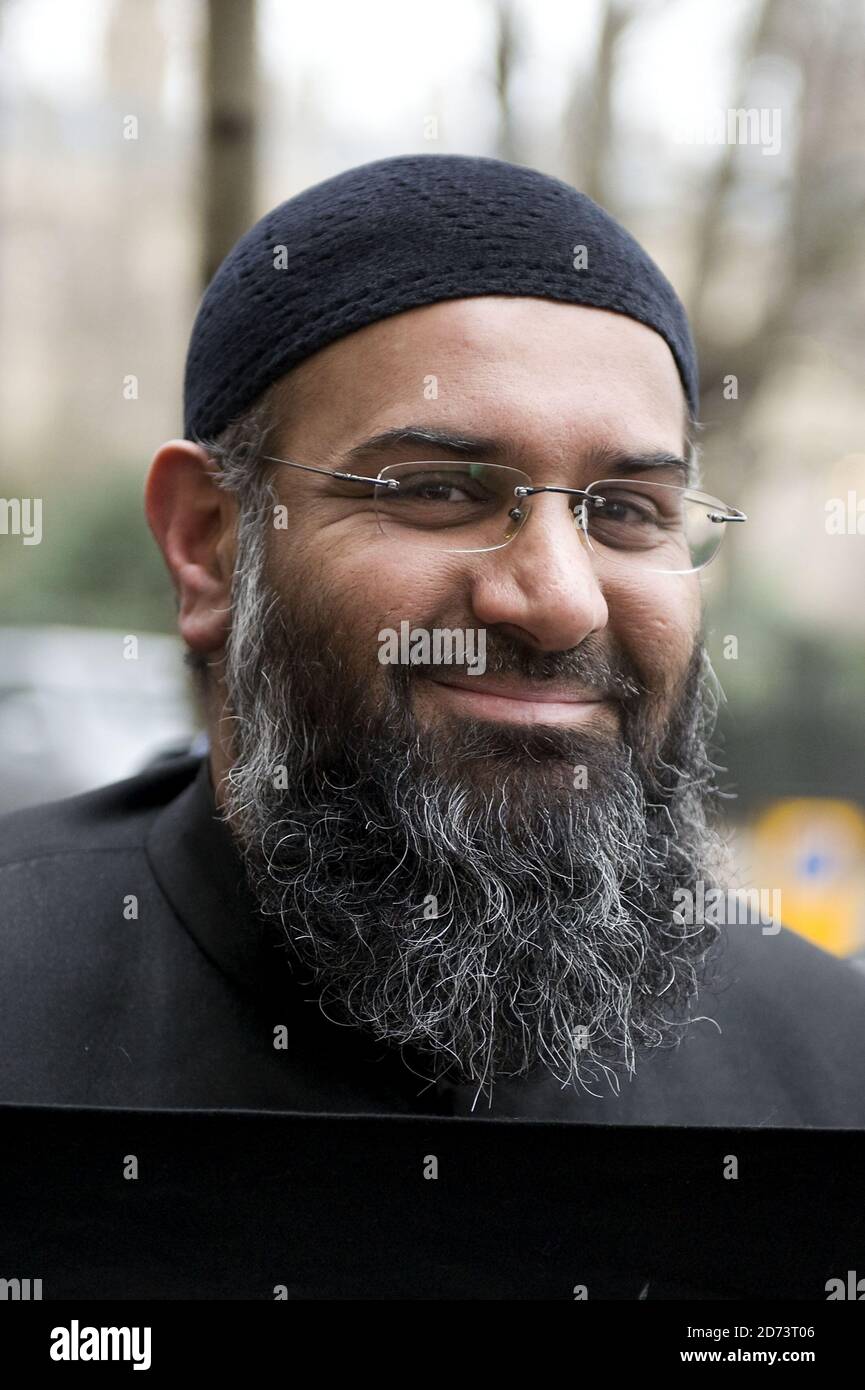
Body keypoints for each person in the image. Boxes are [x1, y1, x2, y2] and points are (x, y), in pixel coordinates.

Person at [2, 152, 864, 1125]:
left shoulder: (829, 1073)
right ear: (207, 543)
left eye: (625, 510)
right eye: (435, 491)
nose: (559, 601)